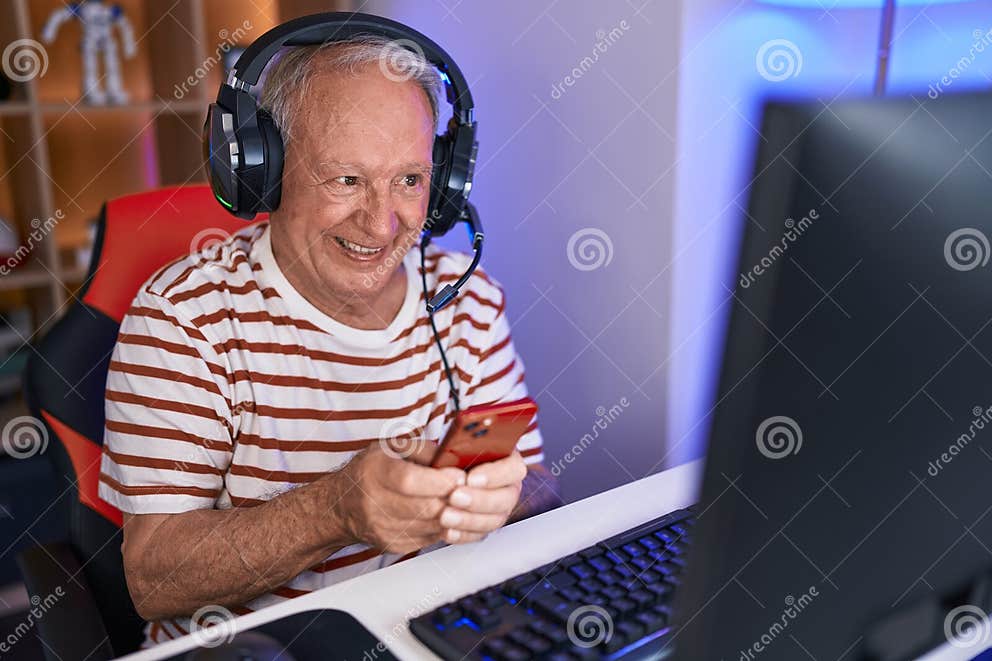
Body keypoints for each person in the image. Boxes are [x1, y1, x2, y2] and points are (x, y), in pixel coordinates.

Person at [97, 34, 561, 645]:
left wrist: (503, 496)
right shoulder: (184, 317)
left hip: (432, 636)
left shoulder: (465, 297)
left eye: (411, 180)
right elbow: (154, 579)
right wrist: (338, 509)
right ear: (265, 172)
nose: (381, 222)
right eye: (346, 179)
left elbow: (538, 482)